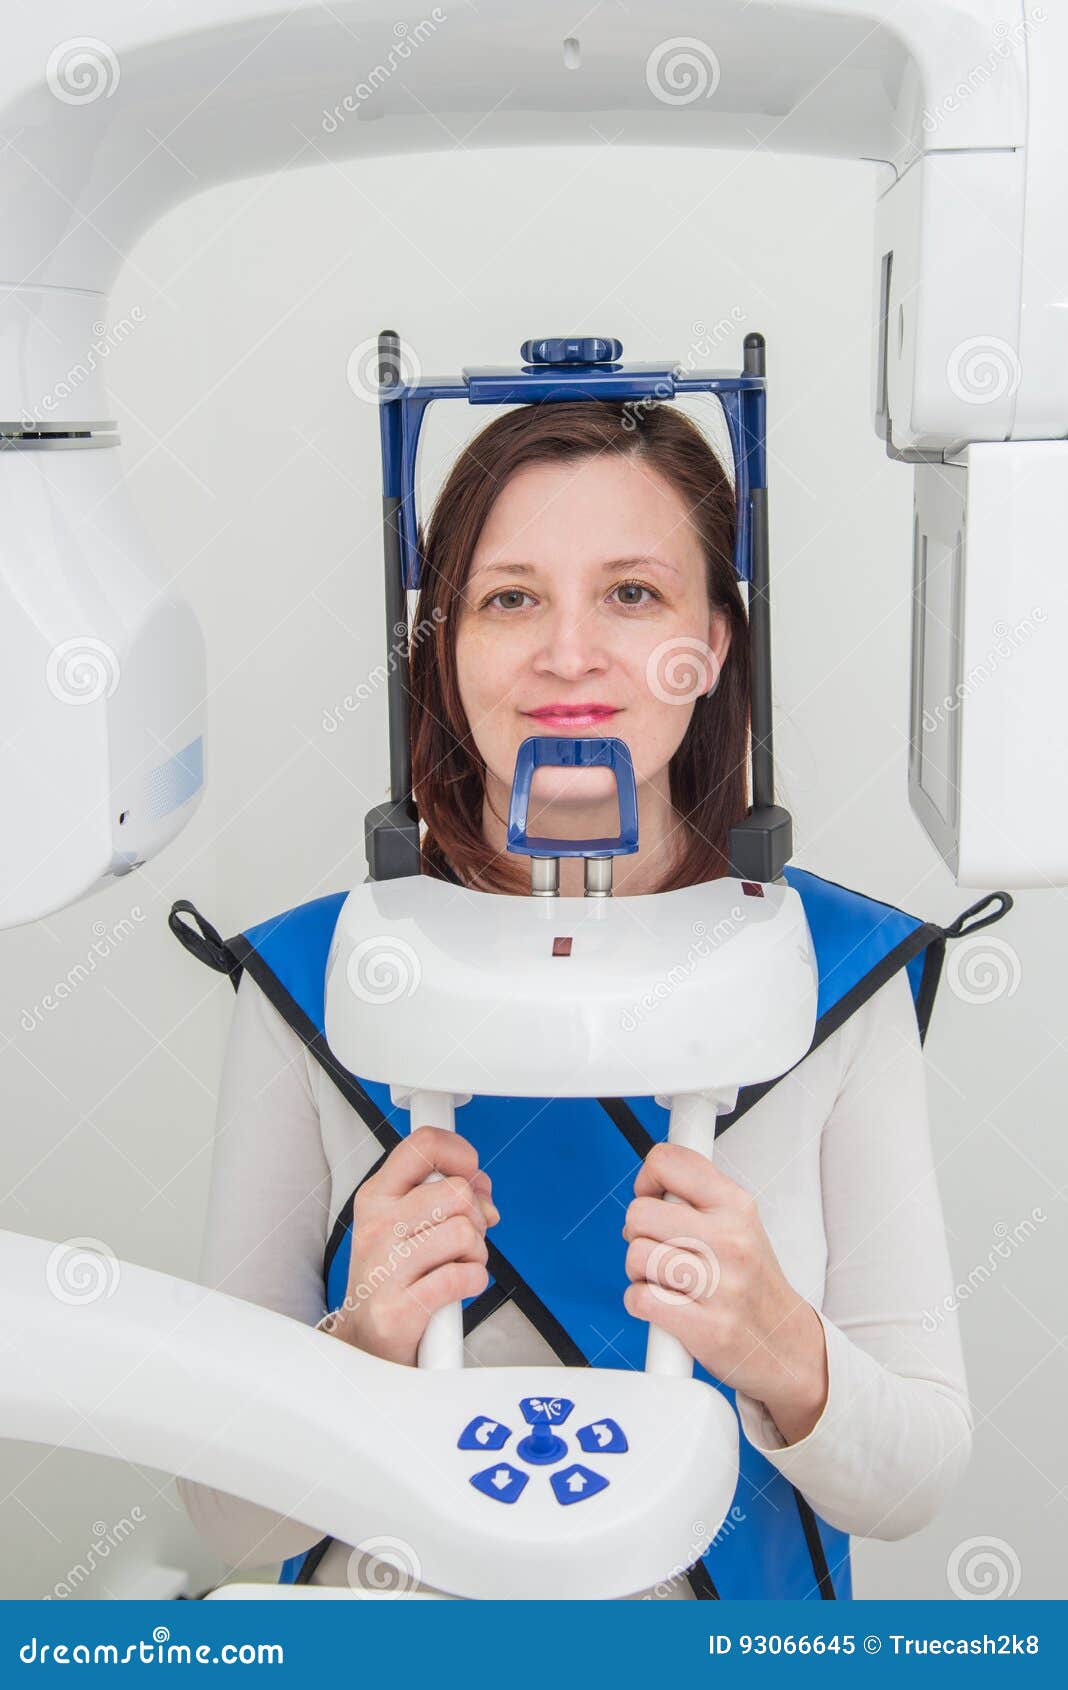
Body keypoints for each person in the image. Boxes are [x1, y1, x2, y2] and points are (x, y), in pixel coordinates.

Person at [176, 400, 973, 1598]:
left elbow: (914, 1484)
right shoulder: (317, 979)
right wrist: (364, 1345)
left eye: (633, 594)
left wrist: (782, 1346)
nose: (568, 653)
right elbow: (227, 1527)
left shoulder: (833, 977)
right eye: (510, 598)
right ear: (439, 647)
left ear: (713, 643)